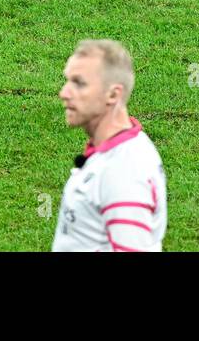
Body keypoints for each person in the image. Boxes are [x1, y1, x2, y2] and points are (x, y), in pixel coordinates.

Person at [53, 39, 167, 251]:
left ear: (113, 94)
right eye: (67, 81)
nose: (64, 93)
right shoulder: (119, 150)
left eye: (79, 83)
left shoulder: (124, 171)